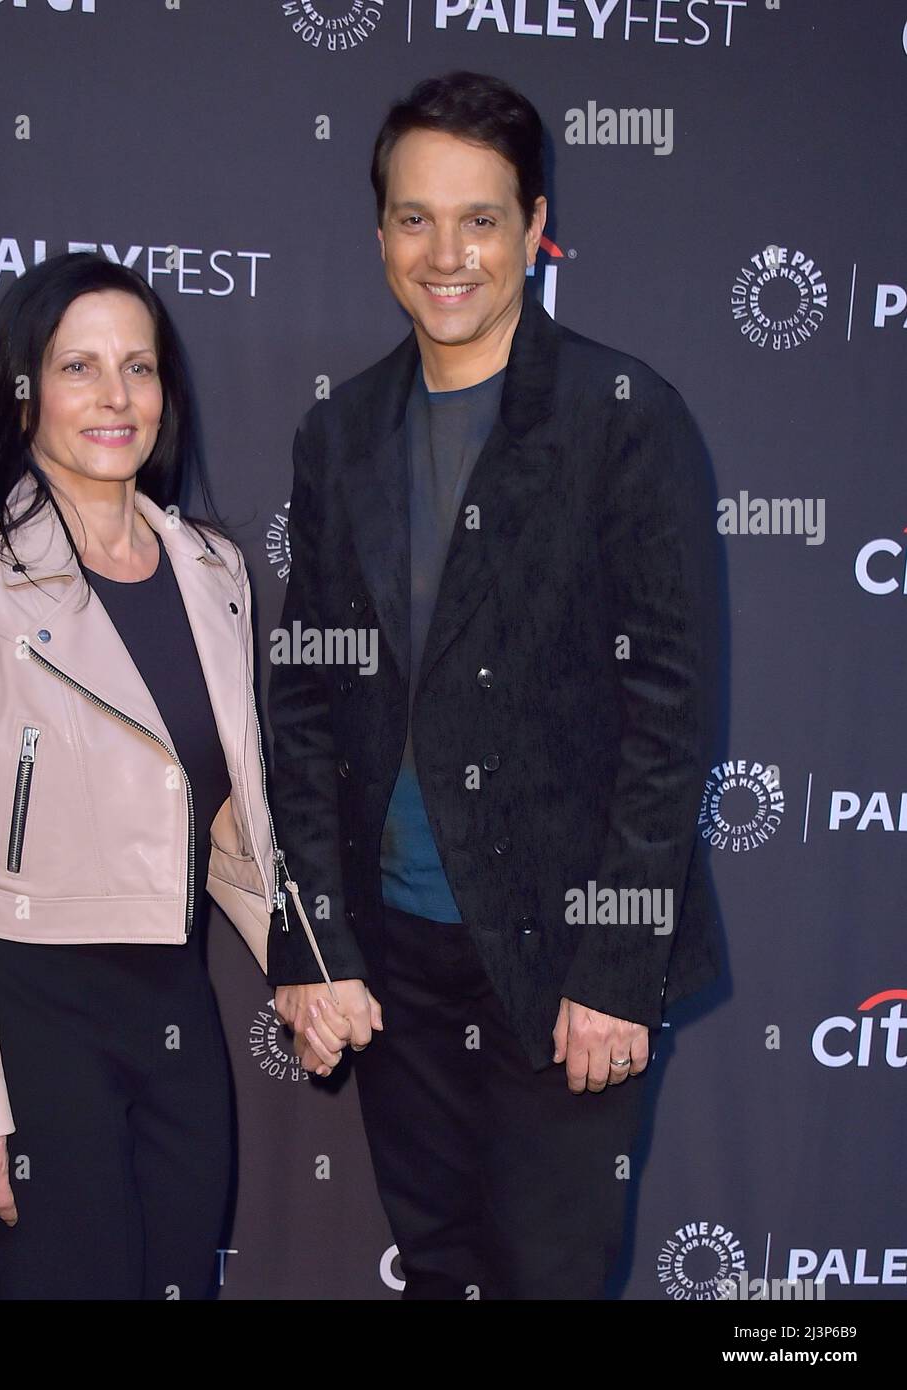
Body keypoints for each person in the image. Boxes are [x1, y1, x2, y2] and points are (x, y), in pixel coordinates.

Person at [267, 72, 723, 1299]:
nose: (445, 252)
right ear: (378, 238)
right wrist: (309, 938)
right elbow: (303, 701)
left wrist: (617, 970)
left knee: (549, 1274)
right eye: (414, 218)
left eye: (478, 218)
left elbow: (670, 715)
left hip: (565, 952)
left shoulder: (622, 417)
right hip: (394, 954)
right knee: (436, 1265)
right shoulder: (339, 433)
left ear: (534, 229)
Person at [0, 250, 343, 1299]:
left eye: (137, 368)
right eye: (78, 367)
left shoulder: (213, 571)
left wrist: (303, 964)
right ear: (23, 391)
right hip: (35, 1021)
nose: (114, 397)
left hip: (175, 1015)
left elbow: (230, 822)